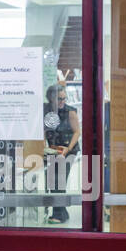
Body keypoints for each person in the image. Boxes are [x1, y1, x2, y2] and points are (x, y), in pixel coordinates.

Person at [43, 83, 80, 224]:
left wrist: (68, 148)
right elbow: (44, 130)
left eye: (64, 98)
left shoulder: (70, 111)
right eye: (59, 99)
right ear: (51, 98)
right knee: (53, 180)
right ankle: (62, 211)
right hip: (52, 149)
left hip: (68, 149)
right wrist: (42, 146)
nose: (63, 102)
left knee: (59, 180)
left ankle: (59, 214)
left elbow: (77, 131)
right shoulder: (46, 110)